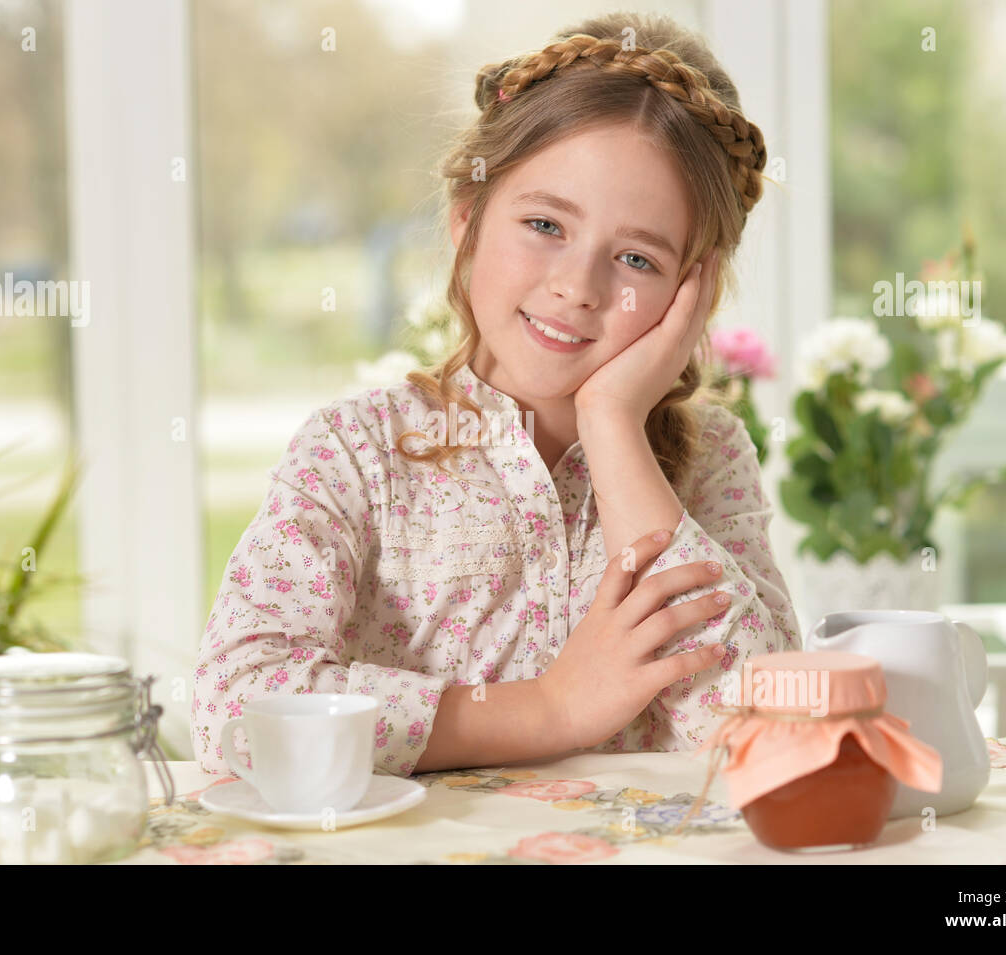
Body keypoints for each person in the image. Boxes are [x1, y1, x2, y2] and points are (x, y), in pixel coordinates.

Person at [193, 11, 800, 779]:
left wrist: (612, 426)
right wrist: (549, 708)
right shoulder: (354, 453)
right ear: (468, 221)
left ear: (692, 291)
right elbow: (235, 707)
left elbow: (770, 724)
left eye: (638, 259)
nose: (577, 287)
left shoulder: (709, 462)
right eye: (545, 223)